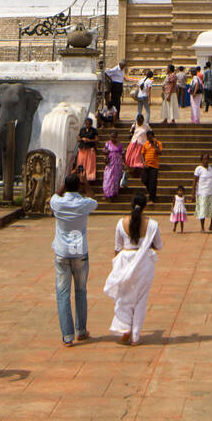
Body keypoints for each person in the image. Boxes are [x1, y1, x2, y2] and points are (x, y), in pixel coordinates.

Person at [103, 191, 163, 345]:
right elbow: (159, 245)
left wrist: (117, 266)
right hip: (144, 264)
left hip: (125, 261)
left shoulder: (121, 222)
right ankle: (135, 336)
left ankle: (124, 329)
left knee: (124, 297)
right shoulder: (152, 224)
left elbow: (117, 248)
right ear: (144, 206)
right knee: (141, 300)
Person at [50, 172, 98, 346]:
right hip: (79, 252)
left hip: (62, 252)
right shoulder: (83, 203)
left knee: (62, 294)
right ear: (78, 186)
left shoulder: (57, 202)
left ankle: (67, 336)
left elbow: (56, 194)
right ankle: (81, 330)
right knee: (81, 291)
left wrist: (65, 184)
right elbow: (94, 201)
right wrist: (85, 185)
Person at [194, 153, 212, 233]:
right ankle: (202, 227)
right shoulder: (198, 169)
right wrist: (193, 193)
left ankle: (211, 226)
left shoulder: (211, 168)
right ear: (201, 160)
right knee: (202, 211)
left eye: (207, 159)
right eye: (204, 159)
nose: (206, 161)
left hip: (211, 192)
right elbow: (194, 182)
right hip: (202, 193)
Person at [69, 119, 98, 184]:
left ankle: (89, 177)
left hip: (90, 148)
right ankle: (80, 176)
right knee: (81, 162)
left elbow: (96, 139)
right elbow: (78, 138)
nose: (88, 125)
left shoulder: (94, 131)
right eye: (87, 124)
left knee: (90, 163)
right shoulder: (82, 130)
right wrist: (82, 139)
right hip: (82, 148)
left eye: (89, 124)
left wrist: (89, 140)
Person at [141, 128, 162, 202]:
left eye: (151, 137)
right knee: (144, 180)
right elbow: (142, 154)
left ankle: (152, 198)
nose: (149, 138)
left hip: (154, 166)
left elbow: (159, 152)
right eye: (148, 137)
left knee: (153, 182)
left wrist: (155, 144)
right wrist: (143, 163)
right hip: (146, 165)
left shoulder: (158, 143)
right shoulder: (145, 144)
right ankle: (150, 192)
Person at [124, 113, 149, 178]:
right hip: (134, 142)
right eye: (138, 120)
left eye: (141, 120)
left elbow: (150, 133)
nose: (140, 122)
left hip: (142, 143)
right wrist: (131, 131)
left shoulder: (146, 126)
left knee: (139, 157)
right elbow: (130, 133)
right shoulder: (134, 125)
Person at [102, 129, 124, 200]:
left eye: (114, 137)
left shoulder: (120, 144)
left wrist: (124, 162)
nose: (113, 138)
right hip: (110, 162)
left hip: (117, 163)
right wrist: (106, 152)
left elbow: (123, 153)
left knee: (115, 178)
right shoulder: (107, 143)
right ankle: (106, 193)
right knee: (108, 177)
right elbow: (104, 150)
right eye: (112, 137)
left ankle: (114, 193)